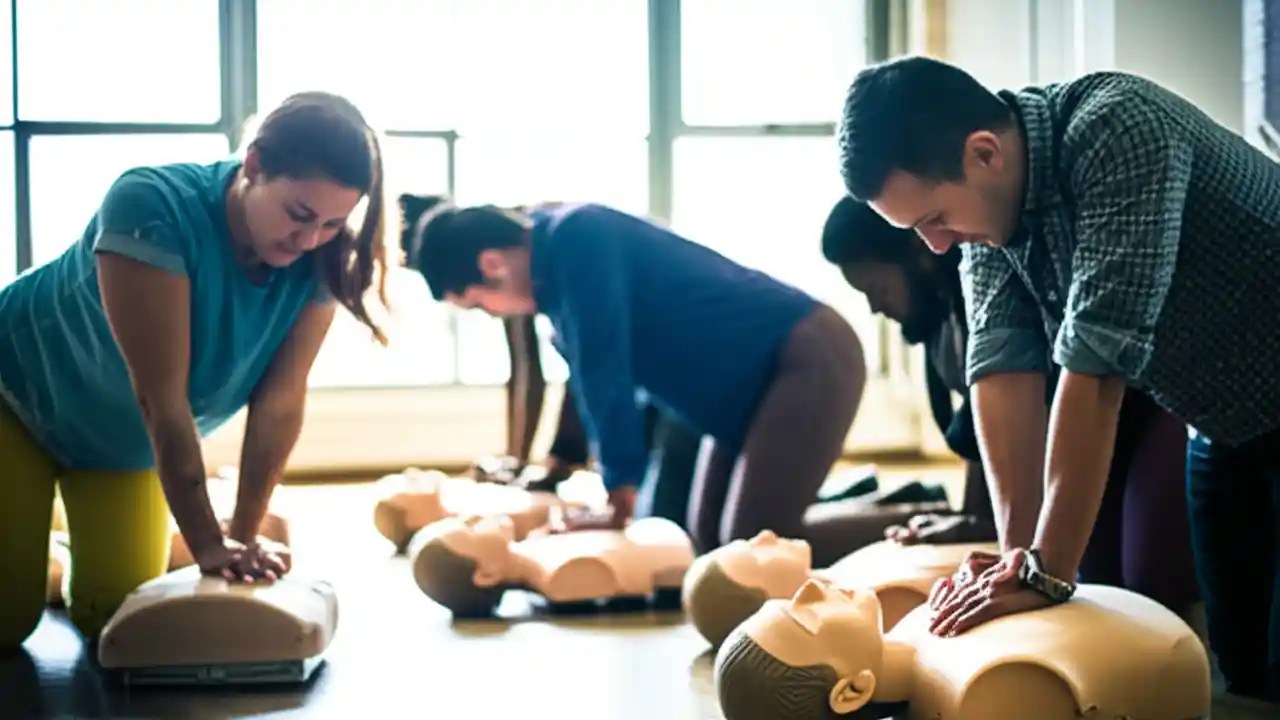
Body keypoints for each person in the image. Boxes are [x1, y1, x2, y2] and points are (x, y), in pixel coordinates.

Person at [838, 55, 1280, 703]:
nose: (935, 246)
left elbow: (1096, 364)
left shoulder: (1119, 128)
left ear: (984, 152)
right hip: (1223, 424)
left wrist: (1049, 569)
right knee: (1243, 676)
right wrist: (1019, 557)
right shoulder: (986, 221)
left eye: (932, 218)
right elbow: (999, 368)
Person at [0, 91, 387, 648]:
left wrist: (241, 537)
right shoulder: (151, 205)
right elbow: (161, 399)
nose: (308, 240)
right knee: (4, 622)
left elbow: (279, 404)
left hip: (116, 442)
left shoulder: (323, 256)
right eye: (299, 214)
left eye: (331, 223)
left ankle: (49, 545)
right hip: (17, 398)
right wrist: (204, 541)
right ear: (253, 165)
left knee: (117, 624)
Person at [401, 199, 867, 562]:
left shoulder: (575, 236)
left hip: (804, 354)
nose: (492, 313)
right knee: (710, 545)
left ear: (491, 265)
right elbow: (595, 380)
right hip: (745, 394)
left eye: (479, 304)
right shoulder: (555, 288)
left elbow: (604, 367)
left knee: (754, 543)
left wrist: (618, 491)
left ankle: (918, 525)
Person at [820, 196, 1198, 619]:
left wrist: (990, 528)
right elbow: (982, 428)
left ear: (916, 254)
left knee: (1149, 581)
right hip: (1074, 445)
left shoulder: (987, 279)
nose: (875, 307)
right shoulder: (938, 324)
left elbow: (1037, 401)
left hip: (1137, 404)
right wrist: (973, 518)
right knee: (1095, 587)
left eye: (879, 289)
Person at [398, 194, 703, 526]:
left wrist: (610, 483)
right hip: (668, 379)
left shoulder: (547, 248)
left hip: (697, 365)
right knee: (660, 517)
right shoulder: (518, 252)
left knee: (670, 522)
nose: (489, 315)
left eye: (479, 307)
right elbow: (563, 369)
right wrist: (521, 461)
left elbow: (590, 368)